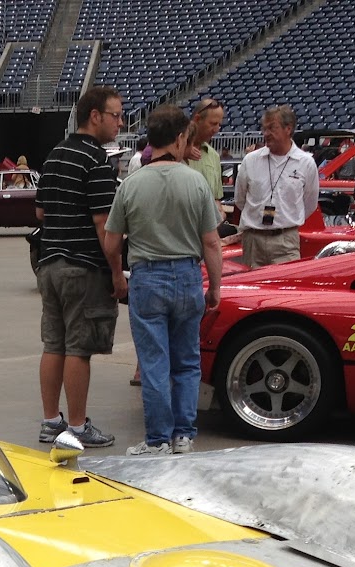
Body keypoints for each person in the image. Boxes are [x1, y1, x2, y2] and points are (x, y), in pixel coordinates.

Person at [104, 104, 223, 456]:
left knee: (154, 362)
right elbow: (211, 241)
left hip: (147, 276)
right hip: (187, 275)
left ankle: (157, 439)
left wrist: (117, 275)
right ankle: (183, 435)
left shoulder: (131, 184)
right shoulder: (196, 181)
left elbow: (112, 242)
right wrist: (215, 286)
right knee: (187, 361)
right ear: (180, 137)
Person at [34, 85, 126, 448]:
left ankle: (50, 421)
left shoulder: (56, 154)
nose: (120, 122)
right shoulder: (96, 161)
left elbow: (40, 211)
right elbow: (104, 225)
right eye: (116, 115)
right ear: (95, 116)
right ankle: (76, 425)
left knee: (53, 343)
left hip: (49, 264)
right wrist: (117, 273)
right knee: (78, 347)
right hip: (82, 267)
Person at [233, 104, 319, 268]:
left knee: (286, 292)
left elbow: (309, 203)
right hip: (253, 240)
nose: (266, 134)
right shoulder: (251, 160)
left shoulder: (306, 163)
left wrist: (286, 219)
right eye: (264, 129)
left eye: (272, 128)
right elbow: (240, 199)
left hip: (286, 240)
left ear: (288, 129)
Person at [183, 97, 226, 203]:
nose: (216, 130)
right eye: (213, 124)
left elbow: (217, 199)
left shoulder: (214, 156)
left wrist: (219, 211)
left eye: (219, 125)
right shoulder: (173, 150)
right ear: (197, 119)